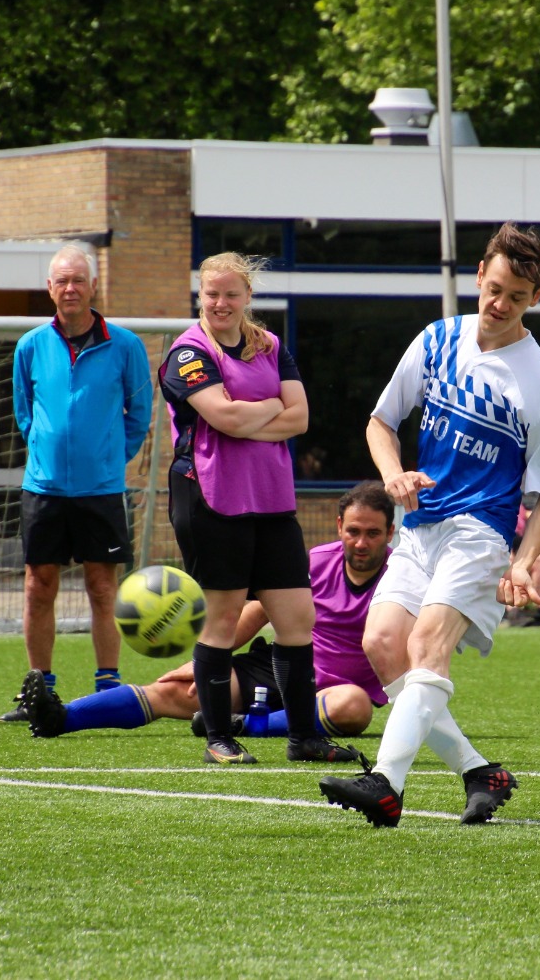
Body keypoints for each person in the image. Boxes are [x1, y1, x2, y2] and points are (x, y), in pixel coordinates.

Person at [319, 222, 540, 827]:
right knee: (382, 645)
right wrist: (393, 475)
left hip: (479, 533)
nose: (500, 304)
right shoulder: (435, 340)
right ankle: (480, 772)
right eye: (495, 287)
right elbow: (381, 422)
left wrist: (521, 559)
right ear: (480, 274)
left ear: (534, 298)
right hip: (419, 526)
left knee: (427, 646)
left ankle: (385, 785)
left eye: (516, 296)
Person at [153, 250, 360, 767]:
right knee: (223, 618)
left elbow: (302, 418)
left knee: (296, 616)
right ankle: (218, 738)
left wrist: (250, 417)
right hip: (210, 497)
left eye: (231, 294)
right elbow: (223, 417)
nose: (221, 303)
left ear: (248, 297)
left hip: (270, 498)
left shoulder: (270, 345)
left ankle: (305, 738)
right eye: (212, 294)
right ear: (201, 295)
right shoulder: (187, 353)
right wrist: (268, 410)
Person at [19, 481, 395, 741]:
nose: (361, 543)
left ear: (390, 533)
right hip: (279, 669)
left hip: (336, 693)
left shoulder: (402, 576)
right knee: (176, 692)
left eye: (373, 534)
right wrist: (209, 662)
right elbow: (256, 612)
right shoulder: (312, 561)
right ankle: (61, 716)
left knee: (354, 707)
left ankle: (244, 726)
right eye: (354, 531)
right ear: (339, 526)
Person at [0, 244, 154, 720]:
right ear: (50, 288)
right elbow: (25, 413)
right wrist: (47, 453)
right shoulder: (30, 345)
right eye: (61, 281)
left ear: (92, 286)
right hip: (43, 490)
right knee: (37, 586)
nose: (69, 288)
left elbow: (140, 413)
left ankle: (107, 688)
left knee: (103, 589)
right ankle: (38, 689)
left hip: (102, 490)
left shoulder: (125, 345)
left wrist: (109, 459)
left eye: (77, 280)